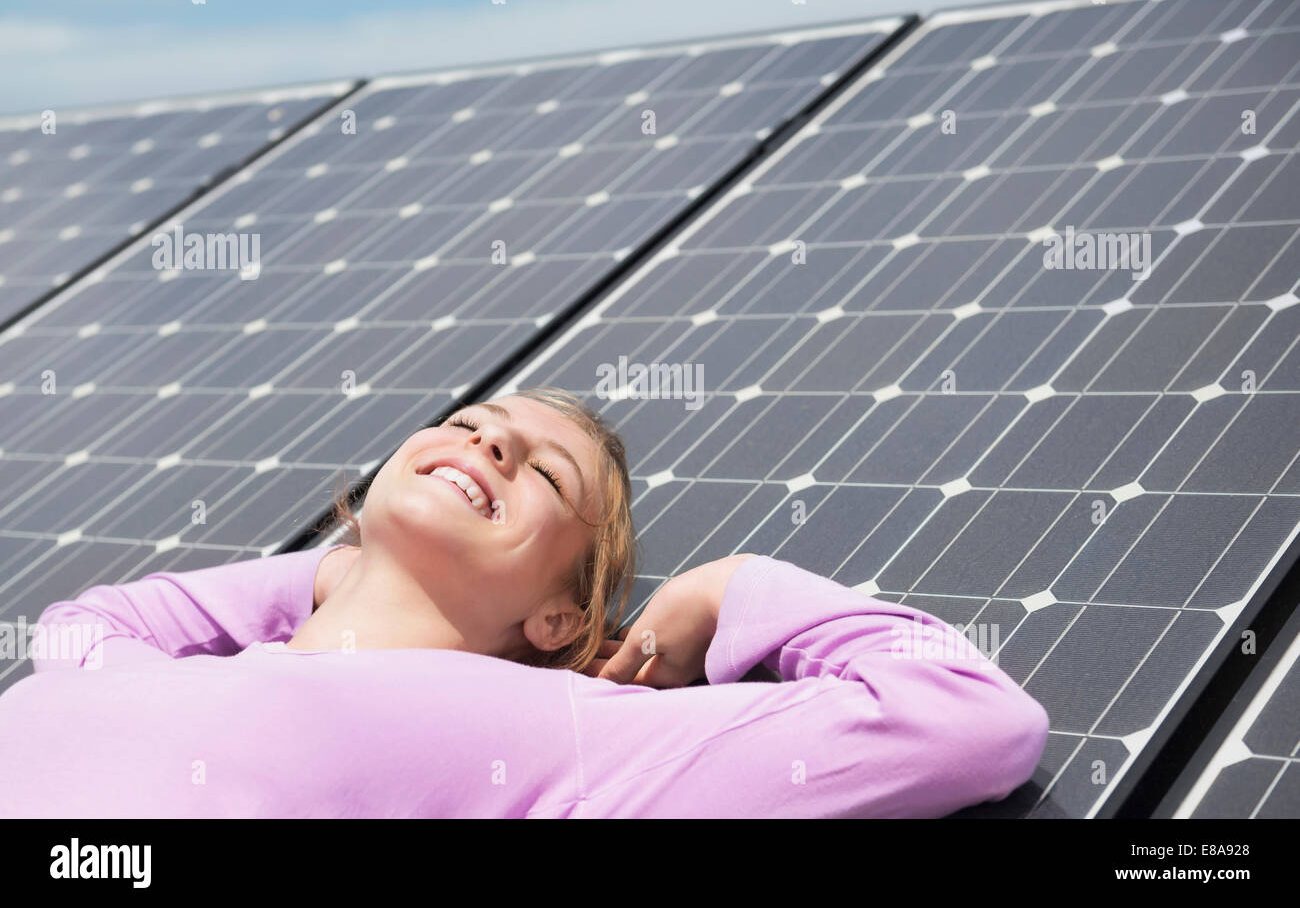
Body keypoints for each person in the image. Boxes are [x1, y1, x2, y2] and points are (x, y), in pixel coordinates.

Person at [0, 386, 1048, 817]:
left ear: (556, 621)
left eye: (546, 477)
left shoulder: (555, 732)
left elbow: (966, 717)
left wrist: (730, 592)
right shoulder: (125, 658)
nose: (488, 441)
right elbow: (80, 623)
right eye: (467, 421)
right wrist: (341, 569)